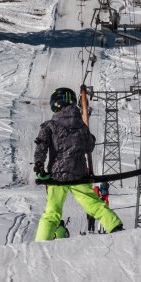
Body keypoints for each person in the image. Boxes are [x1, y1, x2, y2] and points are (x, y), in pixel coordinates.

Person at [34, 88, 122, 241]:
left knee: (52, 212)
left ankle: (41, 241)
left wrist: (39, 164)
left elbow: (41, 145)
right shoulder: (82, 127)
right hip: (79, 174)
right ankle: (115, 227)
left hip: (57, 176)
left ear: (56, 104)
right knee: (93, 204)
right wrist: (88, 135)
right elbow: (89, 146)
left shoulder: (50, 125)